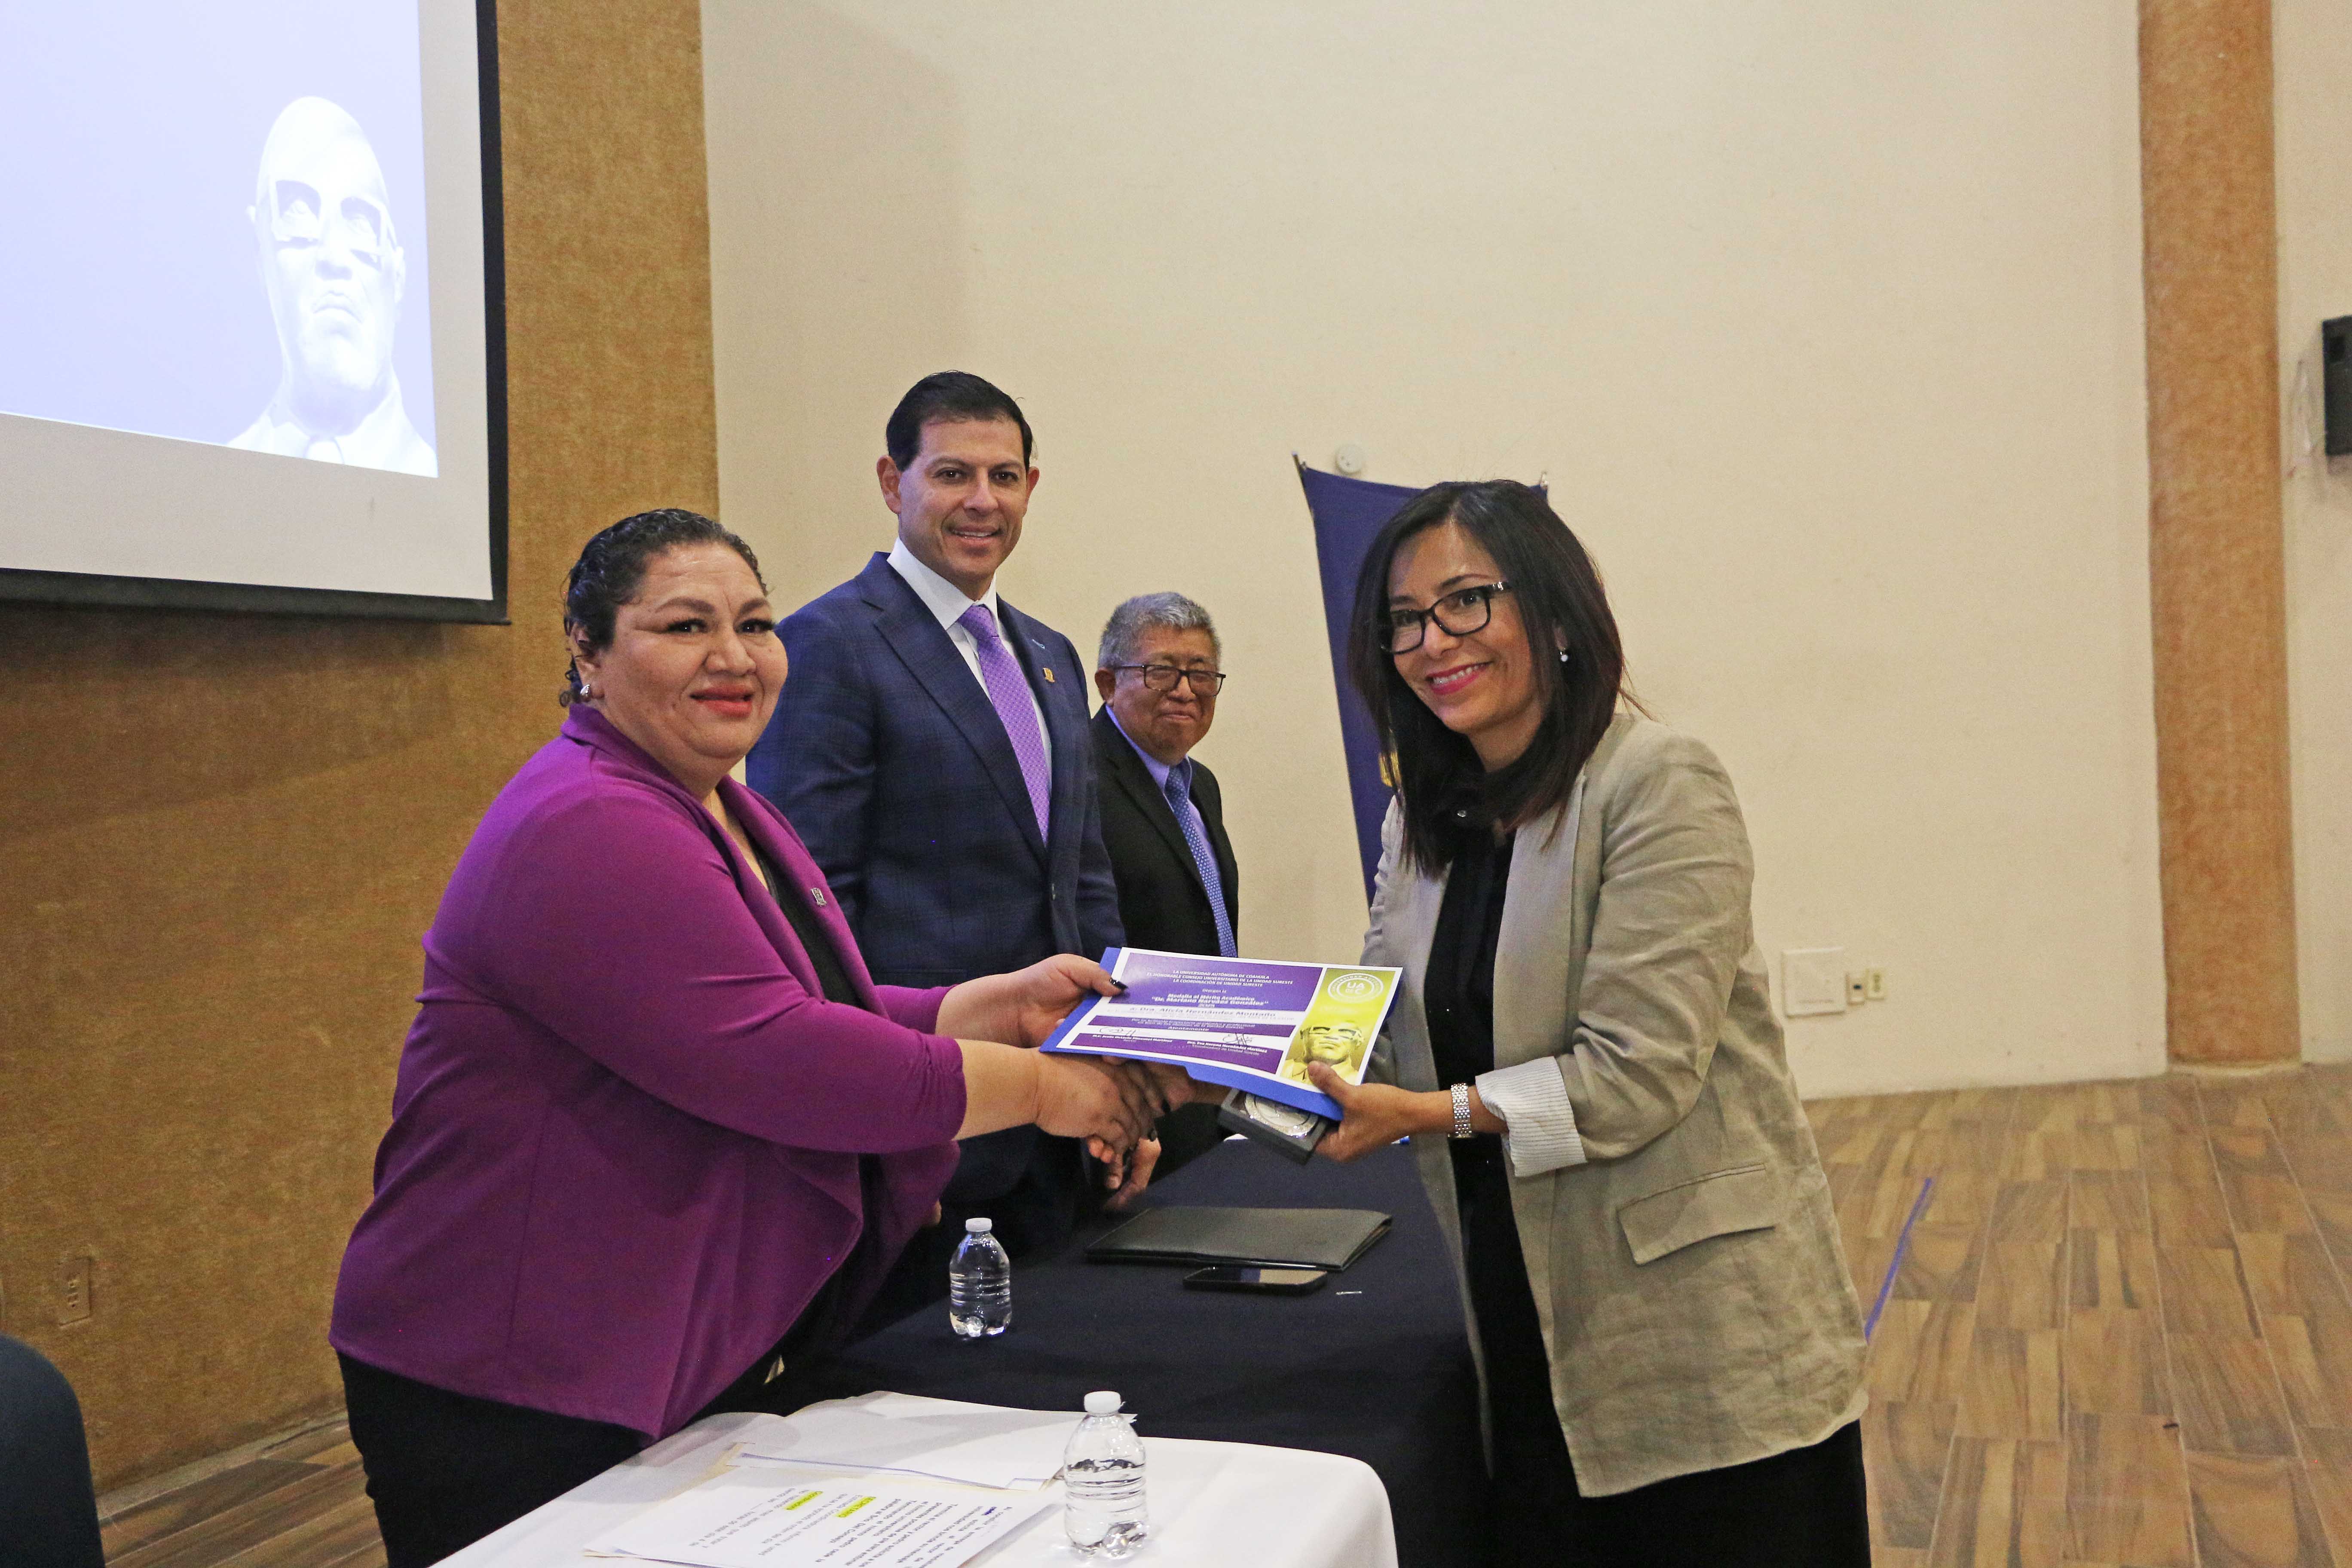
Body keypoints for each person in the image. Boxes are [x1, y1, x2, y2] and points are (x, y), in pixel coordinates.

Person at [330, 509, 1168, 1568]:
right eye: (684, 627)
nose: (733, 658)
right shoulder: (591, 820)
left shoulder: (712, 800)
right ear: (586, 652)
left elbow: (813, 1005)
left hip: (633, 1335)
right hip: (514, 1365)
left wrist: (992, 1005)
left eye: (755, 623)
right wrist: (1051, 1091)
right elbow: (783, 1061)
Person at [1305, 480, 1870, 1566]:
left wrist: (1421, 1113)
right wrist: (1195, 1055)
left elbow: (1634, 1077)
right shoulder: (1423, 815)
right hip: (1517, 1306)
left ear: (1556, 616)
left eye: (1465, 601)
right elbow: (1377, 1020)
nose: (1433, 642)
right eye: (1404, 620)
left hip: (1698, 1334)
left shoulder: (1654, 782)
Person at [748, 372, 1126, 1291]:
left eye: (1004, 476)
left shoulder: (1050, 656)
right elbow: (812, 918)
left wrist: (1126, 1077)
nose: (982, 501)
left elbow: (1081, 880)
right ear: (894, 483)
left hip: (1062, 1127)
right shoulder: (829, 646)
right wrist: (873, 1129)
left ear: (1032, 487)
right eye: (953, 473)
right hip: (925, 1130)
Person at [1090, 591, 1239, 1176]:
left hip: (1209, 1084)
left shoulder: (1200, 786)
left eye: (1201, 674)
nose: (1184, 690)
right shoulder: (1076, 780)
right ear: (1108, 683)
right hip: (1137, 1099)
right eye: (1161, 671)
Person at [229, 97, 436, 474]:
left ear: (400, 278)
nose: (334, 256)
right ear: (260, 257)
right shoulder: (214, 482)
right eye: (298, 212)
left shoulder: (447, 491)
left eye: (360, 220)